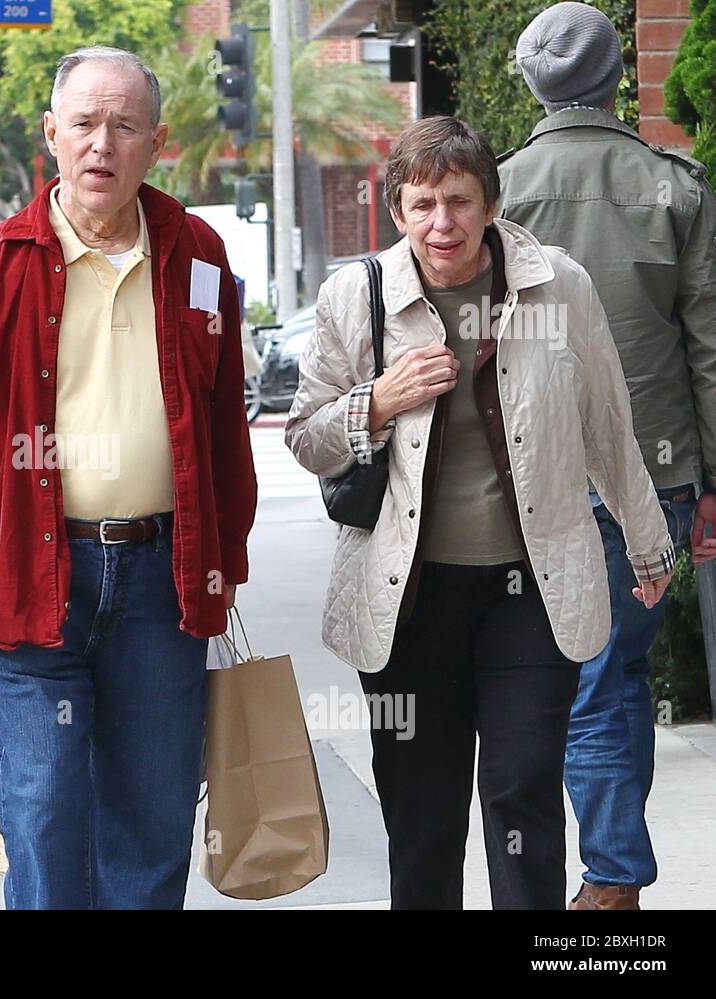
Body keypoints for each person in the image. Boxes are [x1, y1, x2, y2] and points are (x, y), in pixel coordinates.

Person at [0, 45, 257, 909]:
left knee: (151, 820)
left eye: (124, 125)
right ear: (51, 134)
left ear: (156, 142)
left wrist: (222, 559)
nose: (102, 144)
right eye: (84, 123)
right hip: (30, 579)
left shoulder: (196, 253)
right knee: (44, 809)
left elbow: (223, 419)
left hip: (163, 580)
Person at [286, 115, 674, 909]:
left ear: (491, 203)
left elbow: (607, 421)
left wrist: (647, 540)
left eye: (459, 201)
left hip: (530, 592)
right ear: (396, 209)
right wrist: (379, 401)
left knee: (521, 790)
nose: (442, 223)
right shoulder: (356, 298)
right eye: (422, 203)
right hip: (408, 598)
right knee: (422, 814)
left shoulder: (558, 285)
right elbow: (306, 438)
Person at [497, 1, 716, 909]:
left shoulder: (497, 189)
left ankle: (598, 875)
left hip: (525, 476)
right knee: (611, 673)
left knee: (553, 678)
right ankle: (609, 874)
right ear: (618, 72)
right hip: (654, 472)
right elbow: (707, 347)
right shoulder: (677, 187)